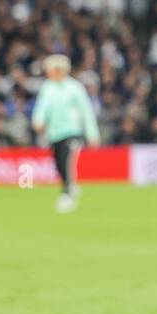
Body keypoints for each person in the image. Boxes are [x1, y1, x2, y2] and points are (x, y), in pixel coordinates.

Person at [31, 54, 99, 213]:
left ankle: (67, 194)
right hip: (54, 134)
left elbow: (86, 111)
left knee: (68, 161)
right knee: (59, 164)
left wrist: (92, 133)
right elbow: (42, 107)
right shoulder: (47, 87)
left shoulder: (75, 88)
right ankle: (70, 187)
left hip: (72, 131)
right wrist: (38, 121)